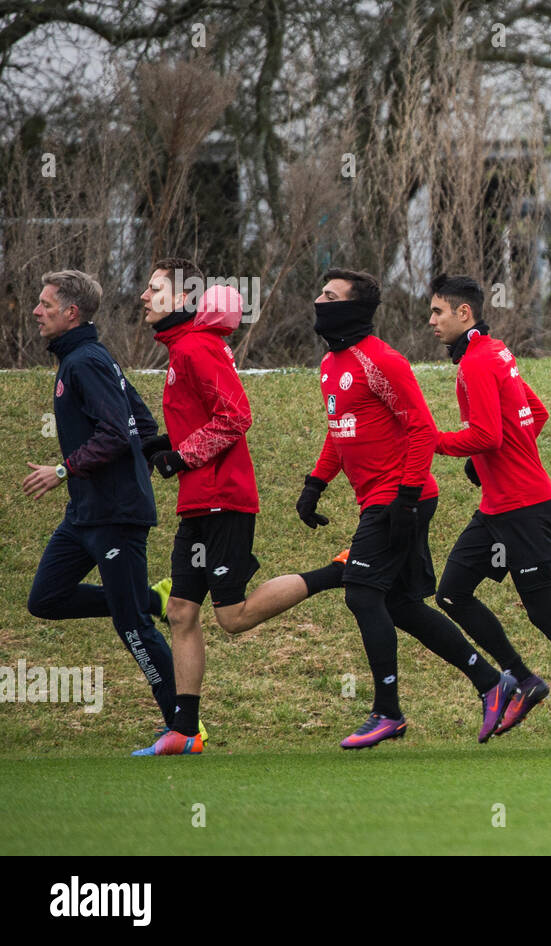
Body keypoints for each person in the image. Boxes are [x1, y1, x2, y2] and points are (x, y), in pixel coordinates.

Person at [131, 259, 347, 756]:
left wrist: (180, 455)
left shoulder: (196, 349)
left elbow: (236, 416)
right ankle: (185, 732)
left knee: (231, 617)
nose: (143, 296)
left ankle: (335, 572)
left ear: (183, 299)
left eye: (154, 288)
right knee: (182, 611)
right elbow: (203, 417)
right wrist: (162, 444)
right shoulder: (183, 349)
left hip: (223, 501)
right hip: (198, 502)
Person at [301, 268, 515, 749]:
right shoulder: (330, 365)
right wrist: (315, 483)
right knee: (397, 603)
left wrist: (404, 496)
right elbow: (342, 431)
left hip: (401, 497)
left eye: (330, 296)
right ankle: (491, 682)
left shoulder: (383, 361)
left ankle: (388, 712)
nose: (320, 301)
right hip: (382, 498)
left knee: (360, 593)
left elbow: (421, 429)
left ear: (355, 308)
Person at [427, 274, 551, 741]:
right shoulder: (495, 352)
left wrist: (431, 442)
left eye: (439, 312)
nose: (431, 321)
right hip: (498, 506)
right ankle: (521, 679)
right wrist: (487, 464)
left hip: (524, 507)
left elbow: (487, 435)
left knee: (544, 612)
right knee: (452, 592)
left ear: (465, 313)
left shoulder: (479, 361)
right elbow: (534, 415)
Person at [22, 269, 178, 747]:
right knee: (45, 599)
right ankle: (153, 599)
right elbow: (143, 422)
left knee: (133, 628)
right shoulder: (85, 358)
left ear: (71, 313)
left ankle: (183, 725)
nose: (36, 311)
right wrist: (132, 471)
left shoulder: (85, 361)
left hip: (114, 517)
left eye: (45, 304)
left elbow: (116, 433)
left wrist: (64, 471)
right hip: (85, 515)